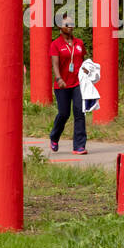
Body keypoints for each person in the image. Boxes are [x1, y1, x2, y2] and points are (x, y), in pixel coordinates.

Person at [49, 17, 88, 154]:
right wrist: (59, 78)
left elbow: (82, 61)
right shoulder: (55, 44)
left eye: (72, 24)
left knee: (79, 112)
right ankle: (54, 136)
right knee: (64, 114)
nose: (70, 26)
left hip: (77, 82)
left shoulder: (79, 43)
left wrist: (88, 72)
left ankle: (79, 146)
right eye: (67, 24)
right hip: (62, 85)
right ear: (60, 27)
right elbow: (55, 64)